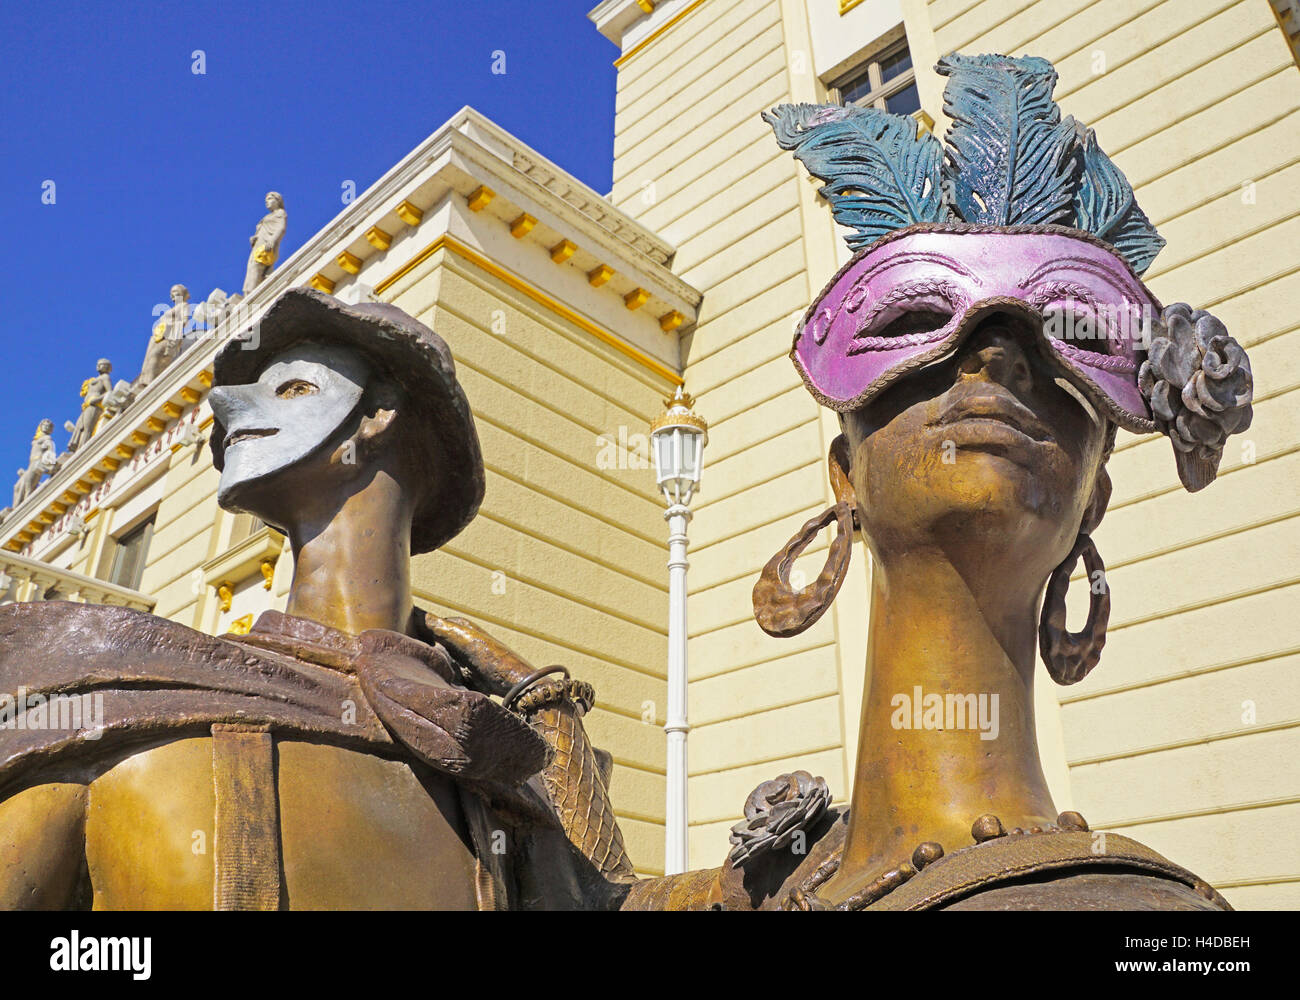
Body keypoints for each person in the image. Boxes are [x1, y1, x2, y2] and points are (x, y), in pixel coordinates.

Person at [621, 53, 1254, 910]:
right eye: (920, 319)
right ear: (844, 476)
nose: (994, 358)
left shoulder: (1162, 927)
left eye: (1065, 336)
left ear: (1092, 502)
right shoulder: (752, 887)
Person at [0, 288, 634, 909]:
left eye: (294, 388)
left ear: (378, 414)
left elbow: (607, 901)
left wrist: (547, 700)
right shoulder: (120, 697)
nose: (223, 401)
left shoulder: (483, 761)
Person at [139, 284, 190, 387]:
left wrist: (169, 326)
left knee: (156, 355)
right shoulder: (173, 308)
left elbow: (184, 321)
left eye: (175, 291)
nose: (172, 295)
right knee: (151, 357)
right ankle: (148, 382)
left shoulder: (183, 305)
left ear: (181, 292)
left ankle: (151, 383)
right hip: (159, 337)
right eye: (171, 293)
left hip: (170, 335)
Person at [243, 191, 287, 296]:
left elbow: (281, 228)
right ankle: (250, 292)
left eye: (269, 199)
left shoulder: (280, 213)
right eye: (266, 200)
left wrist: (272, 240)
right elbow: (262, 229)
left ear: (277, 201)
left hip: (267, 245)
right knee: (252, 266)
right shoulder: (268, 216)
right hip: (259, 244)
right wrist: (254, 238)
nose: (267, 202)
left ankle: (251, 293)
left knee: (257, 266)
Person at [66, 359, 113, 452]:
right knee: (81, 428)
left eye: (103, 365)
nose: (100, 366)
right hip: (87, 406)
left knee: (88, 429)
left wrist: (96, 400)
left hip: (94, 406)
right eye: (98, 364)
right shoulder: (94, 379)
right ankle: (79, 449)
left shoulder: (105, 377)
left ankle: (83, 450)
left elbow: (110, 392)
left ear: (107, 367)